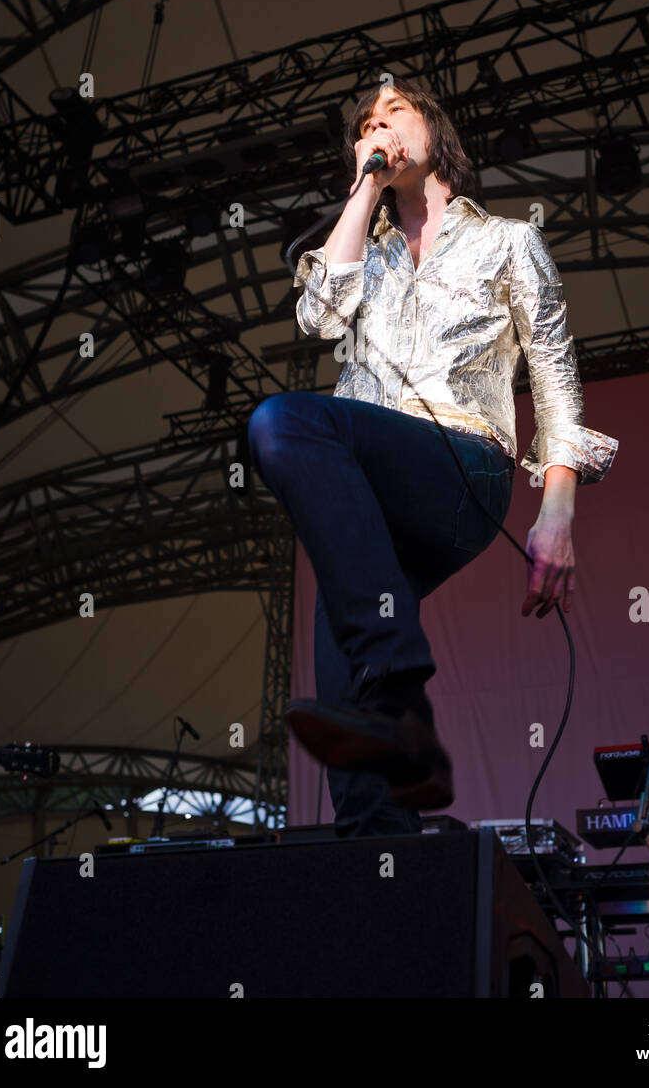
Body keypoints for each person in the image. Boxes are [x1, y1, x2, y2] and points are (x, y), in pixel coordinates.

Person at [248, 78, 618, 838]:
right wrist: (362, 191)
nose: (377, 127)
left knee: (283, 422)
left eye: (394, 114)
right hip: (375, 490)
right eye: (365, 124)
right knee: (354, 743)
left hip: (464, 467)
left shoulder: (508, 241)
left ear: (433, 129)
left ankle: (403, 694)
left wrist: (558, 513)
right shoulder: (367, 252)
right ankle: (390, 852)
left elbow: (554, 376)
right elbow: (318, 316)